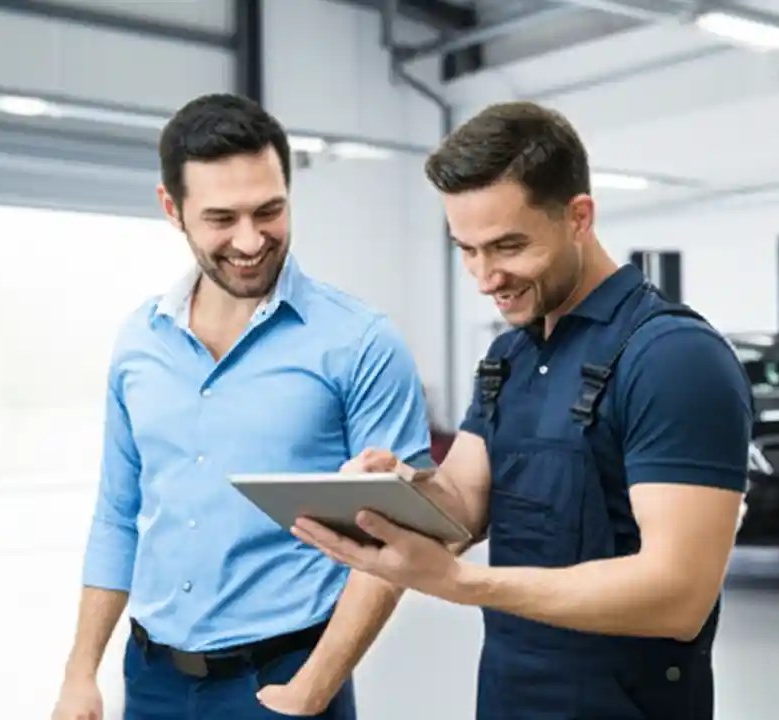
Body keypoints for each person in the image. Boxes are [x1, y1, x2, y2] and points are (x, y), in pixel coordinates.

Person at [293, 101, 752, 719]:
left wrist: (461, 585)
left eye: (508, 245)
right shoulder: (509, 356)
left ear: (579, 217)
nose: (486, 277)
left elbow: (679, 595)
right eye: (467, 249)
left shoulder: (675, 358)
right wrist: (400, 493)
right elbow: (462, 503)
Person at [51, 94, 432, 720]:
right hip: (151, 680)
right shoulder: (139, 342)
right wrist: (80, 672)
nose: (251, 241)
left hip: (284, 676)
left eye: (270, 211)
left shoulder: (361, 342)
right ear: (172, 209)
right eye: (221, 218)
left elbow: (397, 535)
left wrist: (313, 688)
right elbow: (118, 514)